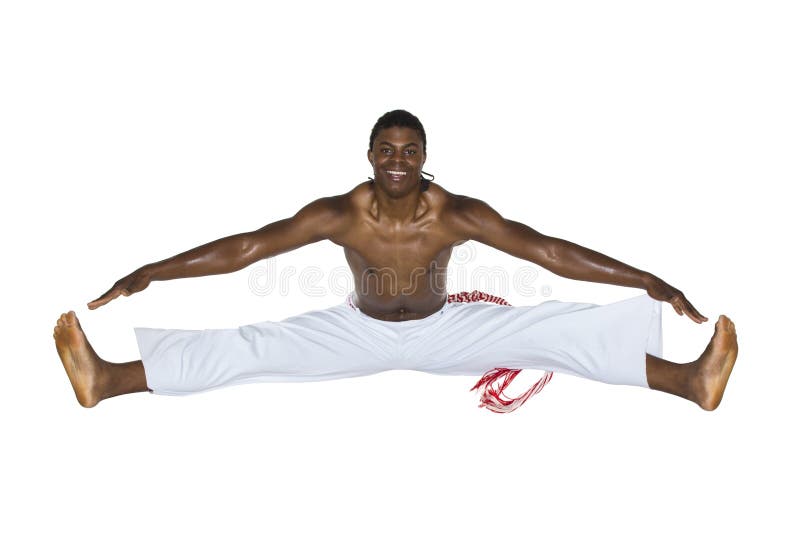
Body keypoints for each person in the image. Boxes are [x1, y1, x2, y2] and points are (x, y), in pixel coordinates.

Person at [53, 110, 738, 411]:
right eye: (387, 149)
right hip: (359, 330)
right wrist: (152, 271)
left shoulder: (457, 213)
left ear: (426, 159)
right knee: (251, 347)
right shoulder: (343, 212)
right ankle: (106, 381)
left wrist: (646, 278)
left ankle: (689, 383)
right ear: (369, 156)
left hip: (447, 329)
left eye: (411, 151)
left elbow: (549, 250)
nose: (398, 161)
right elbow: (248, 247)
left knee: (557, 330)